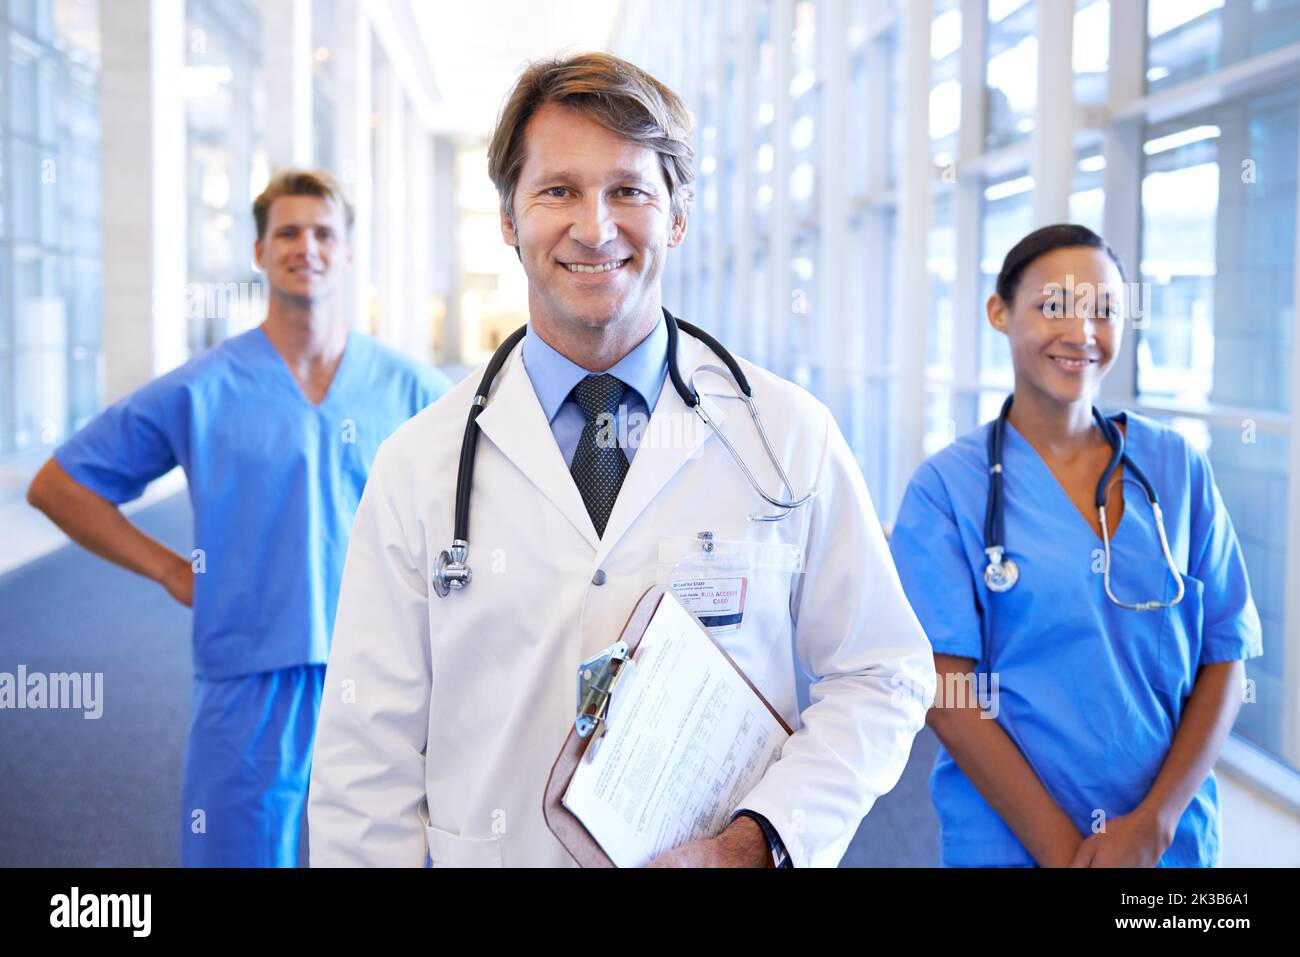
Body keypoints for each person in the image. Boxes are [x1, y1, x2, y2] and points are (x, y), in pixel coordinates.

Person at [308, 52, 934, 868]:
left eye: (630, 190)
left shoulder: (785, 435)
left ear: (677, 215)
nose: (595, 227)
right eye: (557, 190)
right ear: (508, 217)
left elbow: (884, 672)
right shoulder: (418, 467)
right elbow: (366, 761)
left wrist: (761, 839)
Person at [26, 169, 452, 866]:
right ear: (259, 252)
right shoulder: (205, 387)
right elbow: (58, 485)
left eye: (323, 233)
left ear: (346, 253)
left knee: (398, 853)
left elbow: (478, 490)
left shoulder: (409, 387)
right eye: (287, 232)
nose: (305, 246)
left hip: (386, 665)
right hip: (250, 670)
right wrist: (168, 569)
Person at [889, 223, 1262, 867]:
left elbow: (1225, 655)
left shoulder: (1176, 467)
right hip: (1011, 843)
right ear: (999, 312)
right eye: (1054, 306)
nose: (1081, 331)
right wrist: (1067, 856)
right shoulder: (945, 489)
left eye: (1105, 310)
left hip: (1168, 845)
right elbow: (947, 693)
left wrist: (1155, 825)